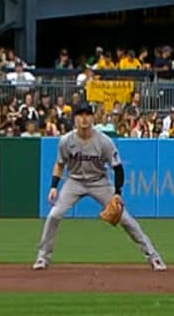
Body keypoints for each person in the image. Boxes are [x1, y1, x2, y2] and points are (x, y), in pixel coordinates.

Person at [33, 104, 165, 271]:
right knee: (53, 216)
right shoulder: (66, 141)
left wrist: (117, 193)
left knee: (126, 219)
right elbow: (59, 165)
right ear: (74, 119)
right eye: (80, 114)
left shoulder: (103, 141)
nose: (84, 118)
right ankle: (42, 258)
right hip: (74, 182)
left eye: (88, 114)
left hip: (99, 182)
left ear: (93, 118)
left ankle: (153, 256)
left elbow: (118, 168)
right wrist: (53, 186)